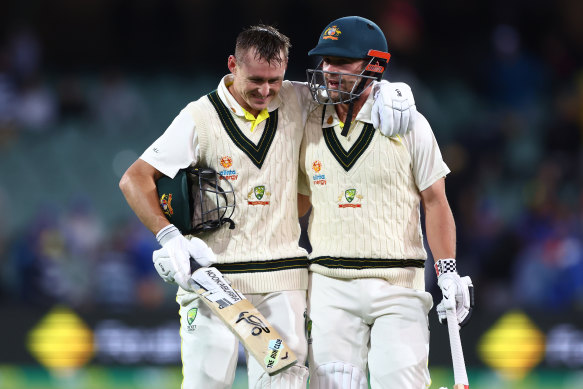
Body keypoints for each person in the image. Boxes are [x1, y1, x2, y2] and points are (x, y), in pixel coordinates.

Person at [119, 24, 416, 389]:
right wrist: (169, 237)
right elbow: (134, 179)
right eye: (256, 79)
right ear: (232, 65)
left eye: (275, 80)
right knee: (206, 384)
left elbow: (352, 83)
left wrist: (391, 90)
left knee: (285, 382)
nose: (265, 90)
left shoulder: (298, 98)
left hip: (282, 282)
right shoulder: (200, 116)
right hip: (214, 280)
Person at [298, 16, 474, 388]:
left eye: (342, 62)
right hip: (329, 284)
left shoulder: (410, 125)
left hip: (399, 284)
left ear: (373, 66)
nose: (329, 71)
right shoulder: (309, 123)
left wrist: (447, 270)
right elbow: (298, 202)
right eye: (325, 60)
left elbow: (436, 201)